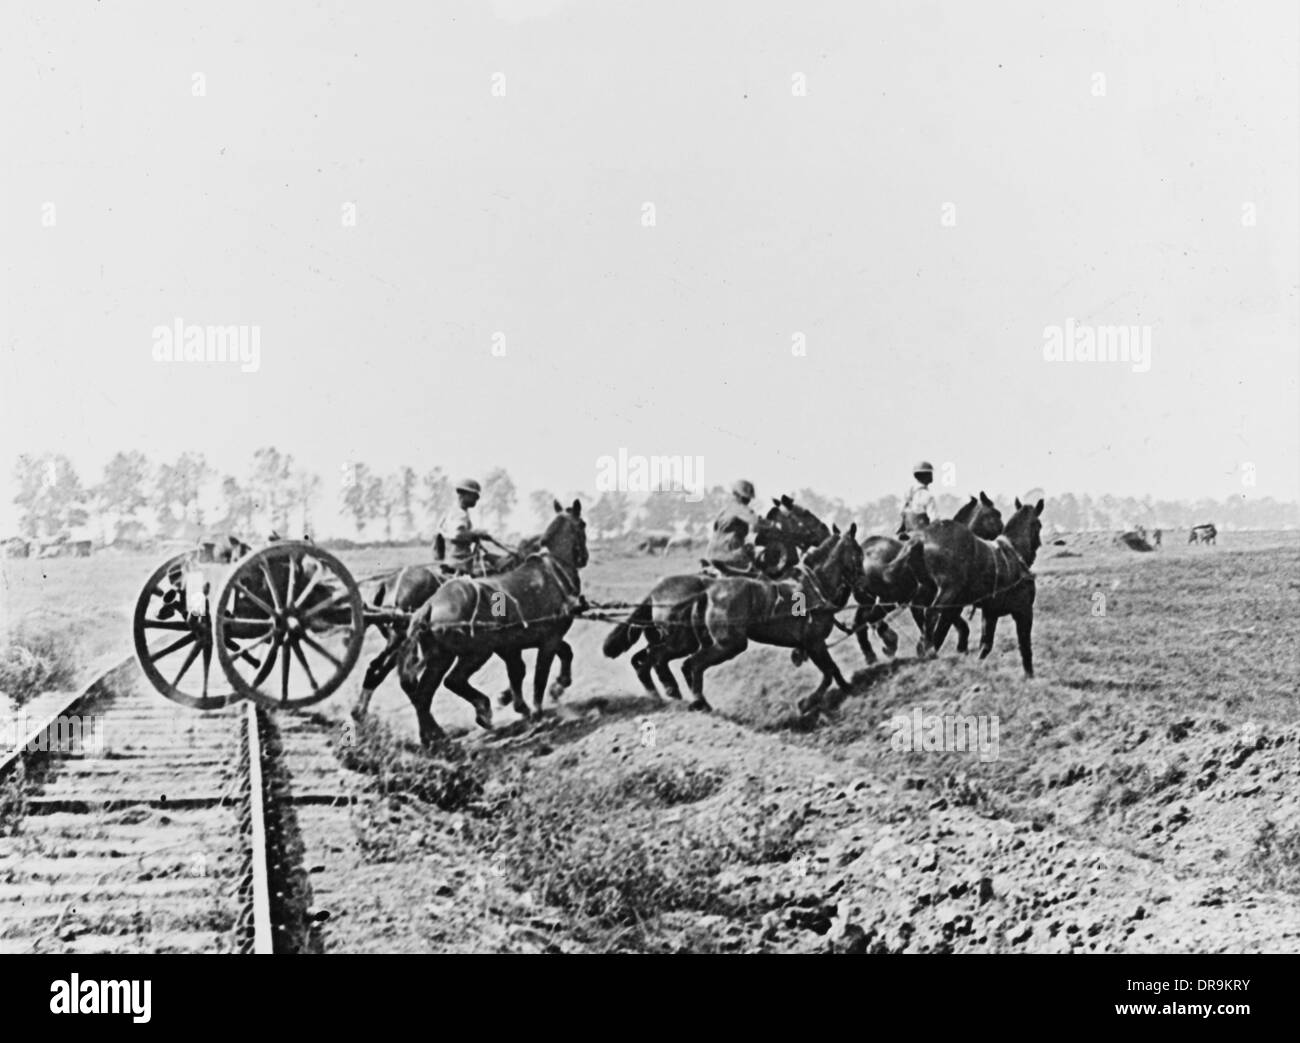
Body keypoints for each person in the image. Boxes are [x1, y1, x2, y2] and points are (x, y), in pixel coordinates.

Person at [435, 478, 507, 576]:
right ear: (463, 494)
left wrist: (476, 534)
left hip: (456, 561)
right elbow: (459, 534)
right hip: (459, 563)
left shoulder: (456, 512)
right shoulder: (459, 513)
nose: (476, 500)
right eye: (474, 496)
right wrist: (478, 534)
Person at [704, 479, 777, 576]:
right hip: (728, 553)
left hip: (712, 553)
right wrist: (775, 524)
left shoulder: (725, 508)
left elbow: (716, 527)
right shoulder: (739, 507)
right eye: (746, 498)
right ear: (738, 495)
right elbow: (756, 521)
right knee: (759, 578)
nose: (748, 500)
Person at [898, 460, 939, 536]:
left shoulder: (908, 493)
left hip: (907, 533)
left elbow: (902, 512)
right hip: (923, 535)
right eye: (930, 473)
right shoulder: (928, 496)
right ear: (925, 476)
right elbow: (934, 520)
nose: (931, 475)